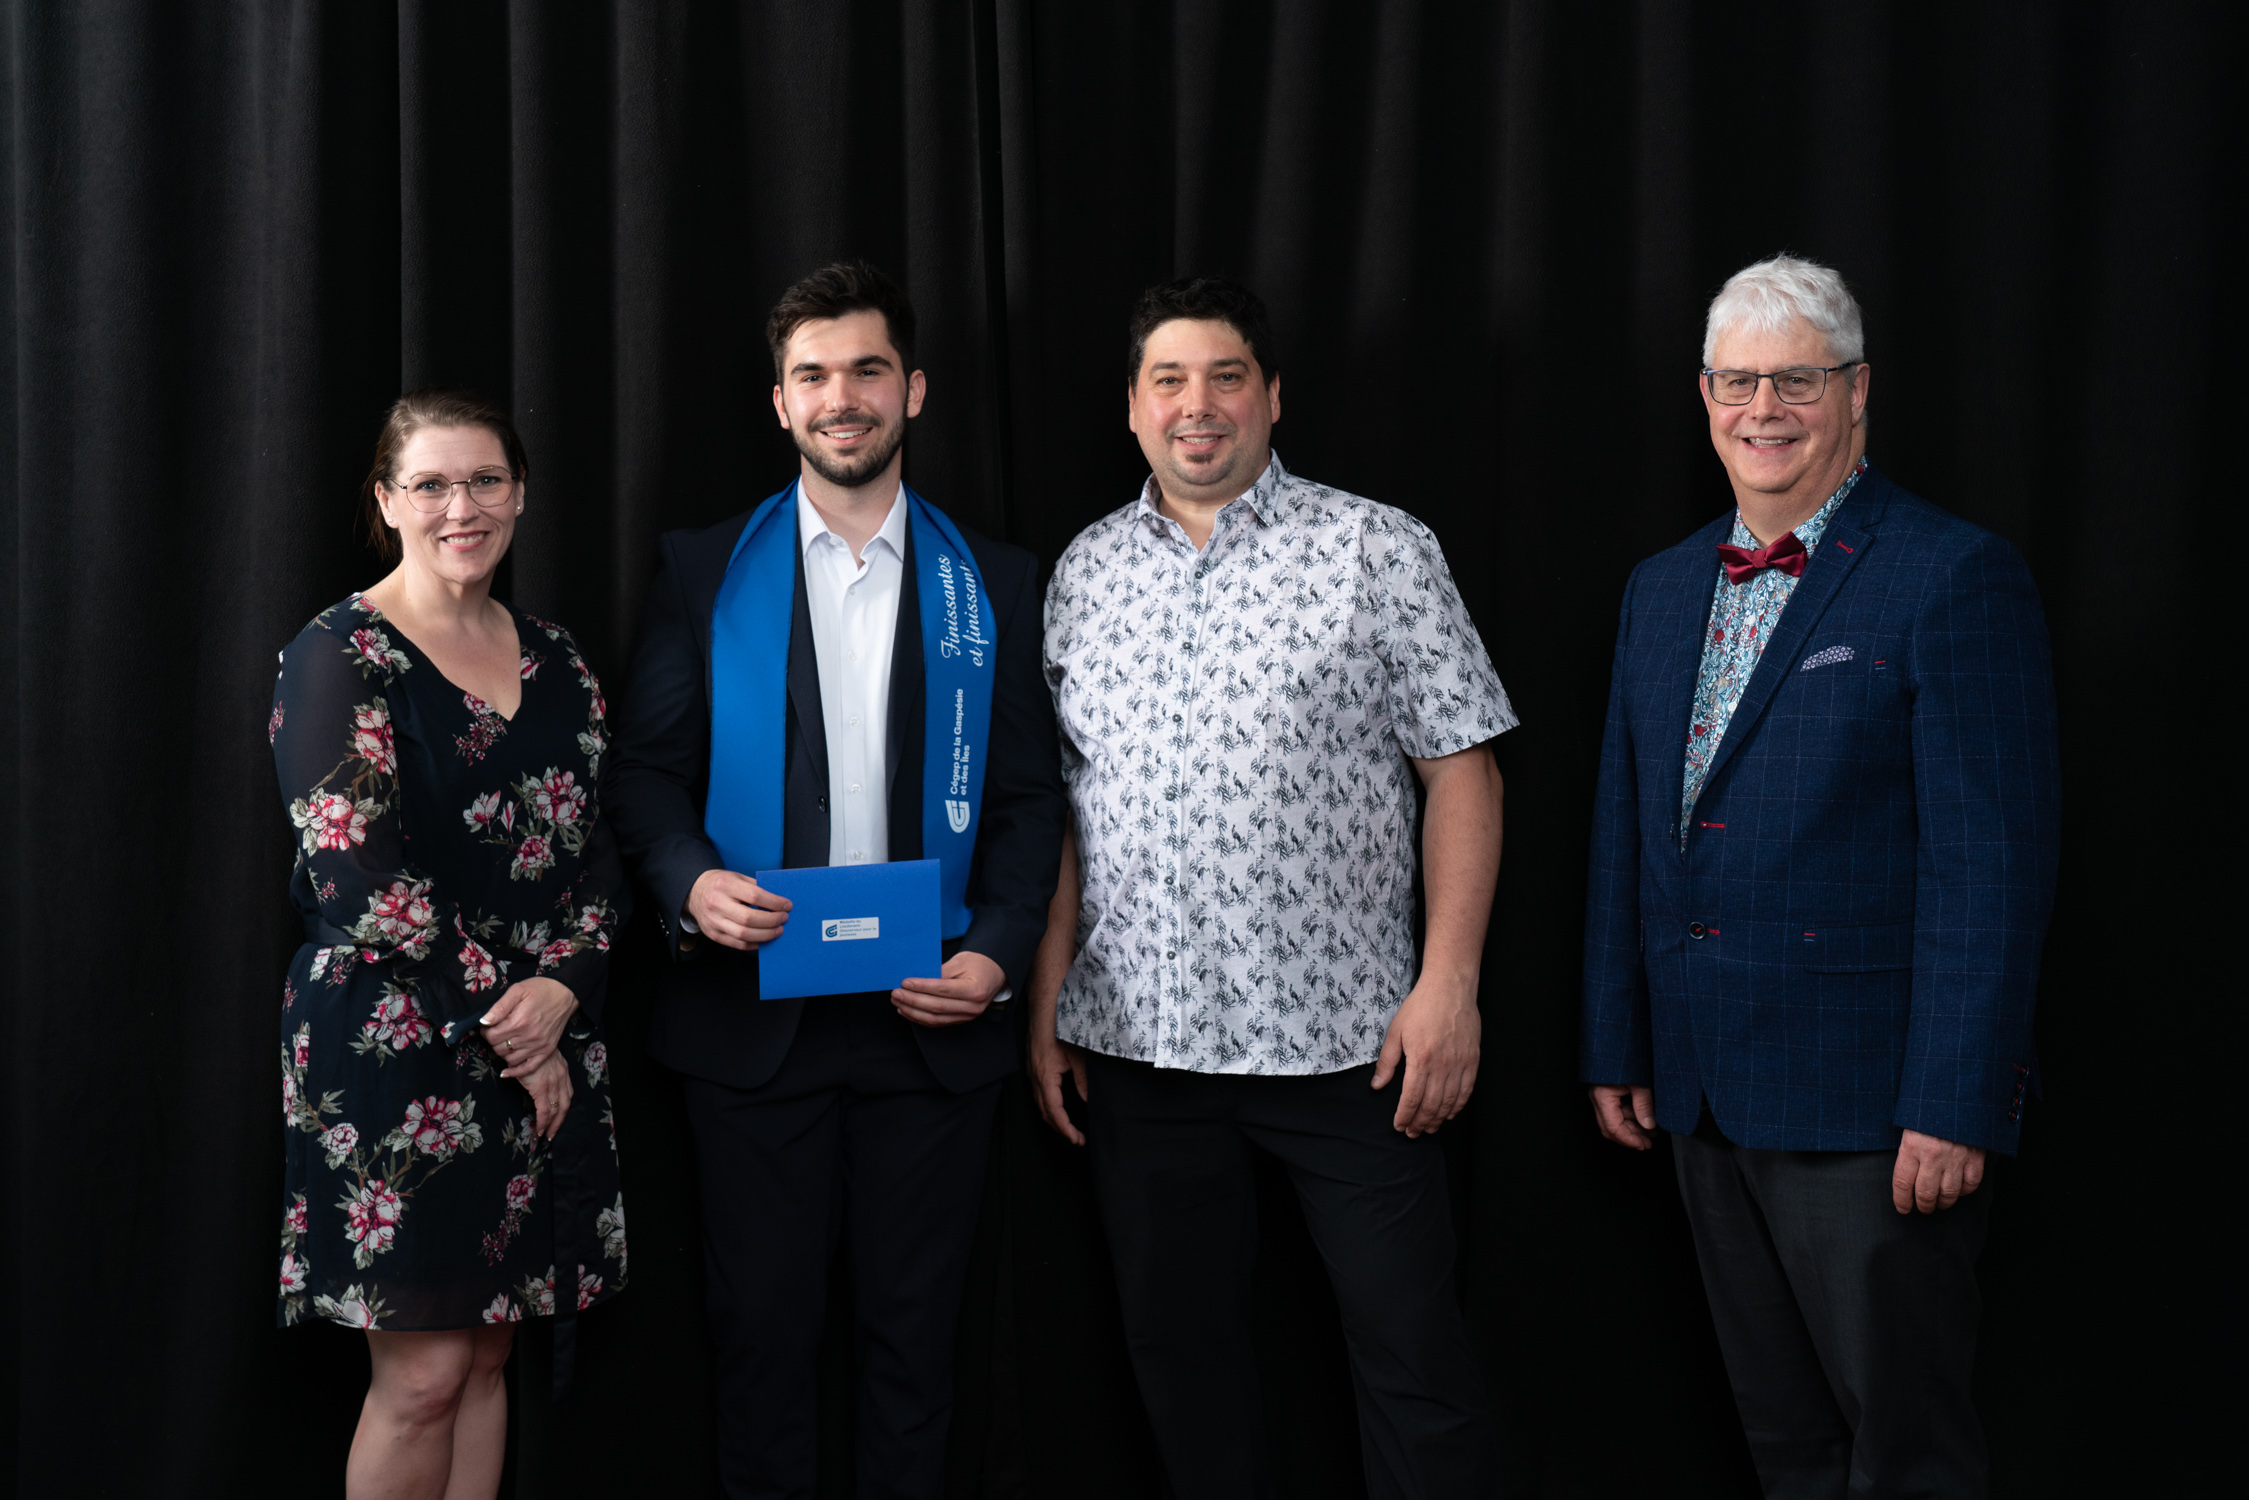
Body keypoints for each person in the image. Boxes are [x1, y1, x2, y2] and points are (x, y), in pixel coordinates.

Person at [1580, 255, 2060, 1498]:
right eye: (1737, 381)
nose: (1763, 408)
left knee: (1905, 1454)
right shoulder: (1659, 587)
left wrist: (1954, 1101)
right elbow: (1627, 825)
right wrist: (1617, 1035)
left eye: (1795, 380)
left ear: (1855, 391)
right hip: (1700, 1089)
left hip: (1871, 1108)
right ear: (1702, 395)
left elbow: (1989, 870)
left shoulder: (1950, 575)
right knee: (1782, 1444)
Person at [1028, 276, 1515, 1499]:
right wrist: (1046, 1001)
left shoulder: (1375, 547)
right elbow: (1072, 812)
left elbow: (1462, 771)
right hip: (1139, 1047)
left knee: (1411, 1357)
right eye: (1168, 381)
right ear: (1132, 407)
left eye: (1225, 377)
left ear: (1272, 396)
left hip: (1352, 1049)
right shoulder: (1083, 572)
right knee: (1179, 1362)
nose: (1197, 405)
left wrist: (1448, 986)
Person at [605, 260, 1067, 1499]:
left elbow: (1028, 801)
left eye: (866, 369)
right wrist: (689, 882)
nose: (840, 396)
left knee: (915, 1350)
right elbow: (644, 774)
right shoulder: (706, 569)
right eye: (812, 375)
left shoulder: (994, 582)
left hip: (933, 1017)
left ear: (912, 390)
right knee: (761, 1348)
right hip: (753, 1024)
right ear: (780, 403)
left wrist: (999, 950)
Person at [271, 388, 631, 1499]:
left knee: (486, 1356)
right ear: (386, 501)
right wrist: (514, 1025)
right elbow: (357, 876)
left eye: (483, 481)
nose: (459, 507)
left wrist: (561, 994)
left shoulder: (559, 659)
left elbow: (597, 851)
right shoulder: (338, 652)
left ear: (519, 494)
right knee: (423, 1374)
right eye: (429, 484)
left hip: (538, 1032)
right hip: (397, 1039)